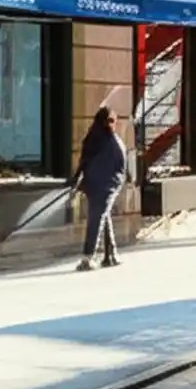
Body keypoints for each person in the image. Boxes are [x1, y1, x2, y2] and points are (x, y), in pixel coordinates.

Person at [73, 107, 127, 272]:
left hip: (107, 186)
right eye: (108, 120)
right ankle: (111, 255)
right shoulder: (95, 139)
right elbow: (84, 160)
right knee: (102, 217)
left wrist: (112, 185)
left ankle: (89, 257)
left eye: (113, 121)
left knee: (97, 218)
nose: (111, 124)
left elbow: (121, 167)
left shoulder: (112, 141)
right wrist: (78, 179)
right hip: (95, 185)